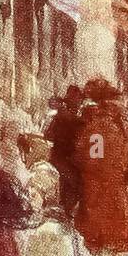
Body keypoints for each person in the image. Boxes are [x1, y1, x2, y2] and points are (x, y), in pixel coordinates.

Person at [73, 78, 128, 256]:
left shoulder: (95, 127)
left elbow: (87, 156)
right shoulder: (116, 125)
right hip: (112, 178)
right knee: (114, 212)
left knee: (100, 213)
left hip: (98, 179)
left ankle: (104, 244)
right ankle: (116, 244)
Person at [43, 84, 84, 217]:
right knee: (73, 185)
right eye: (79, 99)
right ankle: (68, 213)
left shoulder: (63, 116)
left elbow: (48, 135)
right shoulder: (70, 118)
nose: (80, 102)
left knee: (67, 186)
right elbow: (49, 134)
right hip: (66, 158)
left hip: (62, 157)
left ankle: (67, 212)